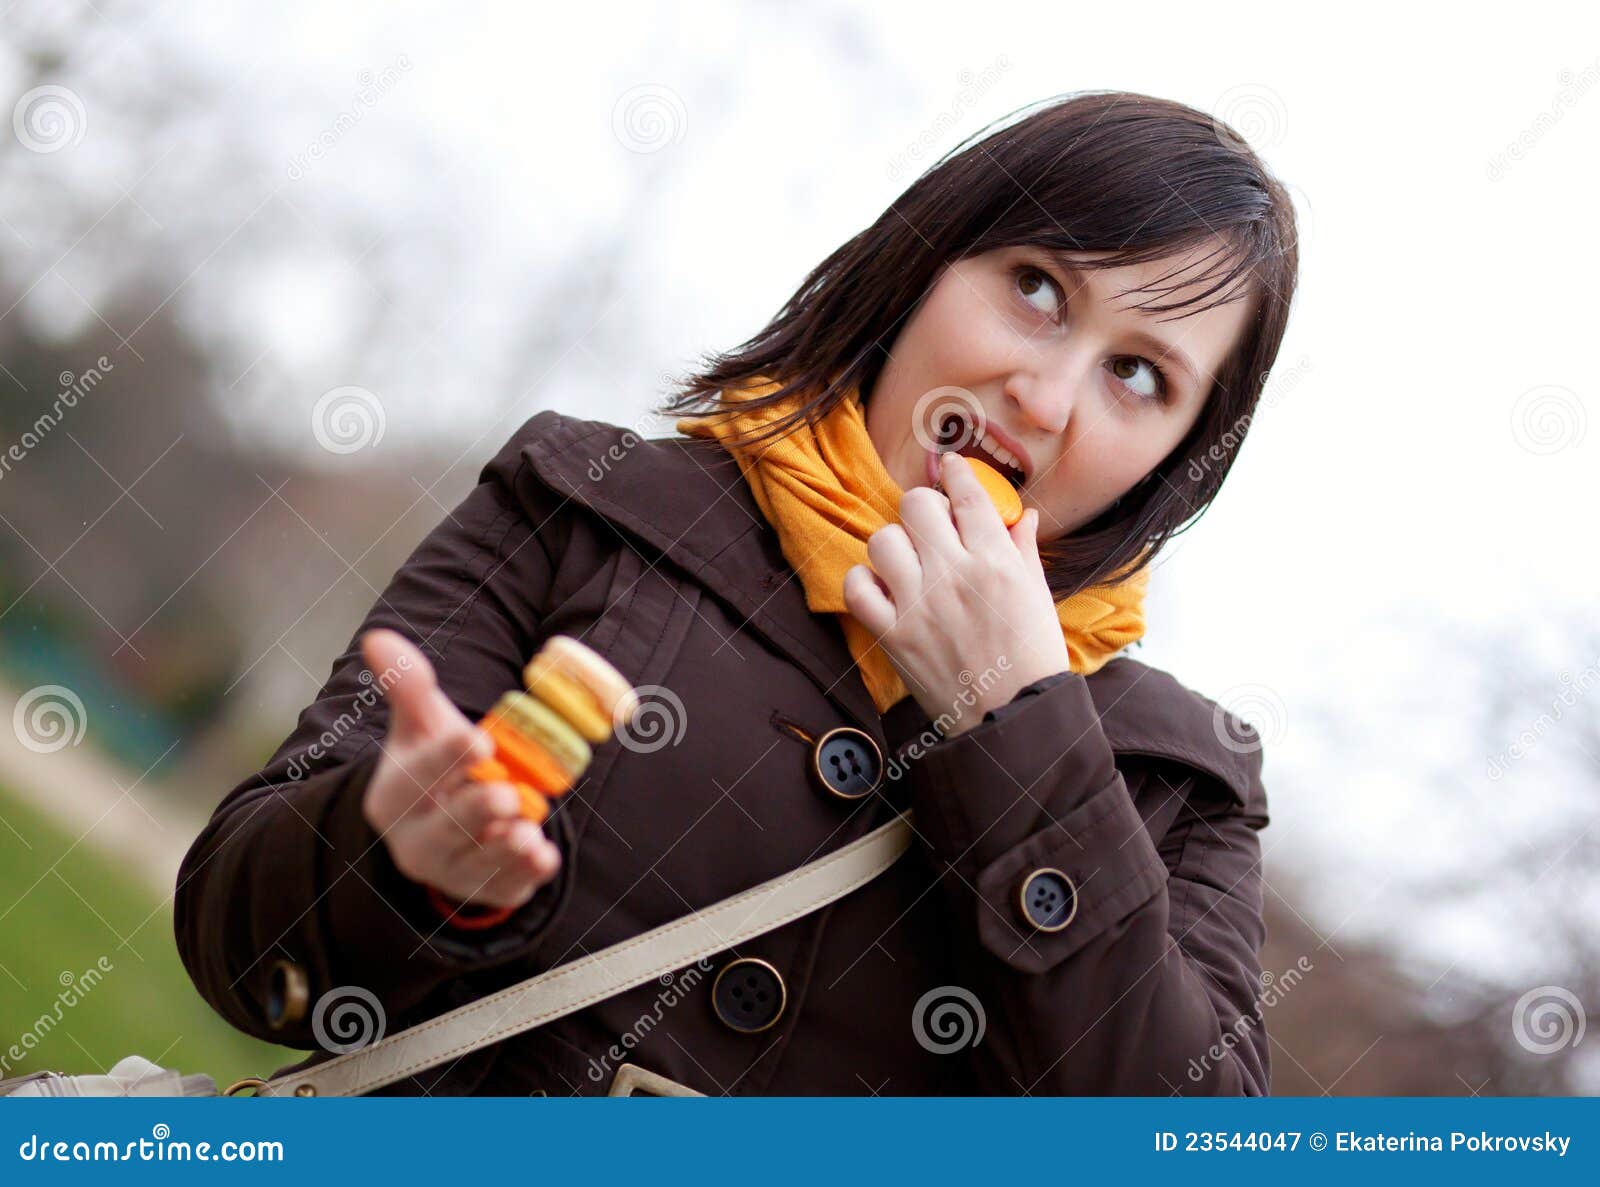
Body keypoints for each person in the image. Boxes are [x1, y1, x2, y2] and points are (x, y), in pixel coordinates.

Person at [175, 89, 1298, 1095]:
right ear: (923, 264)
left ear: (1178, 457)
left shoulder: (1175, 778)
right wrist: (398, 863)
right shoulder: (592, 505)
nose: (1044, 396)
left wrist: (1014, 725)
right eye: (1037, 289)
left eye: (1138, 373)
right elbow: (244, 958)